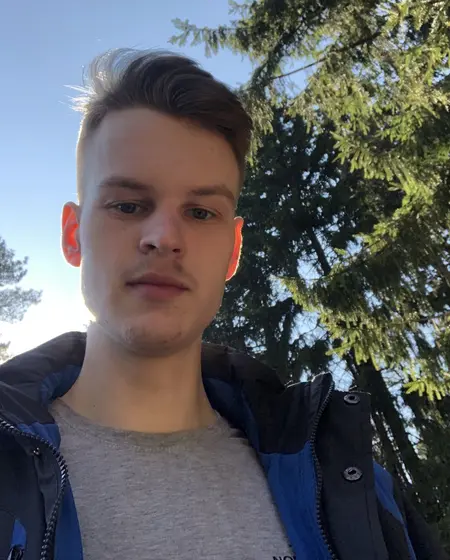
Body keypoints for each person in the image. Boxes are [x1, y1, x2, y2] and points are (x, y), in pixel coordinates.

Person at [0, 49, 446, 560]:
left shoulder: (362, 496)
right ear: (74, 234)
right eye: (128, 205)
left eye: (200, 212)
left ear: (233, 251)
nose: (164, 237)